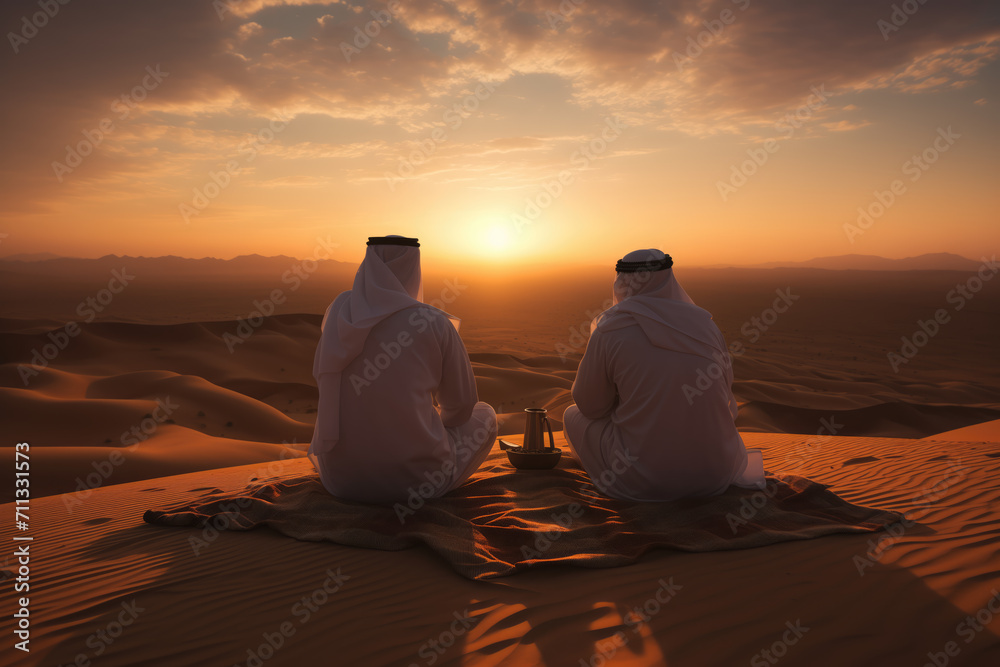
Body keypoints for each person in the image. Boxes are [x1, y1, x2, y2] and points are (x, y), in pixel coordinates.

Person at [563, 249, 764, 501]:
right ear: (668, 278)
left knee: (571, 416)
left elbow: (589, 406)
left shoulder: (611, 329)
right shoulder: (707, 326)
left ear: (622, 282)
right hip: (715, 474)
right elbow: (724, 395)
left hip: (642, 480)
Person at [309, 235, 497, 503]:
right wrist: (421, 429)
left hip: (340, 482)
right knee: (485, 414)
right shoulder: (433, 322)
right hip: (417, 484)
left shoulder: (338, 311)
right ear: (414, 268)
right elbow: (461, 408)